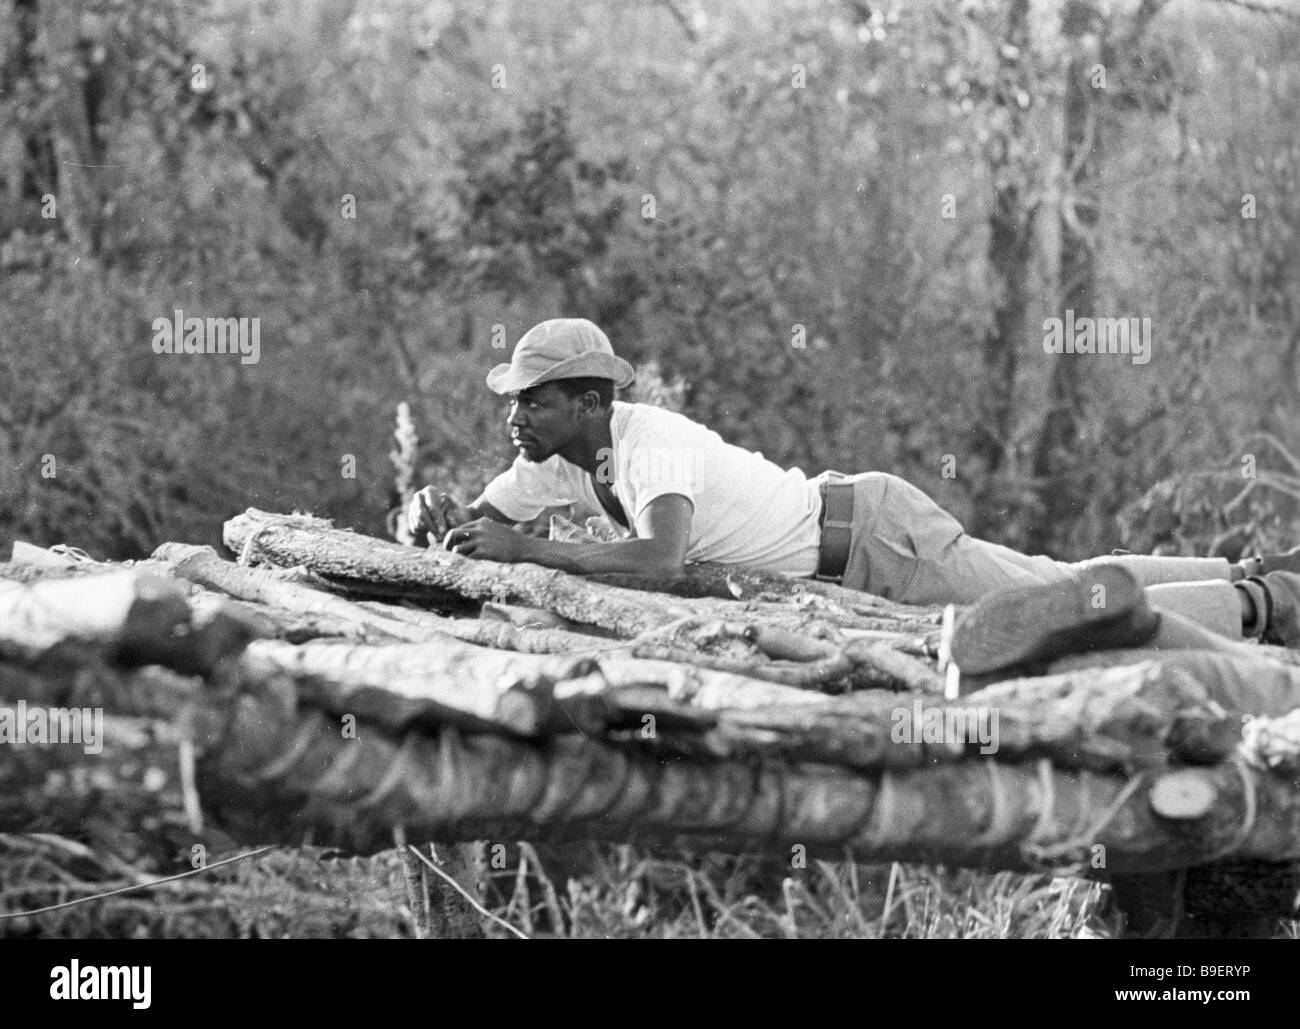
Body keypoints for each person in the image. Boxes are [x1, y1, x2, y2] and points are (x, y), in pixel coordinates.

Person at [407, 317, 1300, 647]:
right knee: (1052, 577)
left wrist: (525, 548)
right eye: (513, 404)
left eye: (533, 401)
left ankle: (1265, 600)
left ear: (590, 401)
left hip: (875, 540)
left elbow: (663, 556)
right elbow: (478, 521)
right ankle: (1238, 577)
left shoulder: (653, 440)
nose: (513, 419)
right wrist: (432, 515)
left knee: (1065, 602)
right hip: (854, 541)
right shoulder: (552, 465)